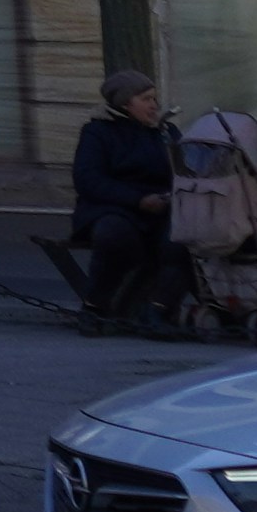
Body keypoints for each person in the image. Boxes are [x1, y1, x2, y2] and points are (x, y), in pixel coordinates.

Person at [66, 71, 179, 331]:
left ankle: (158, 310)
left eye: (154, 99)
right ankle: (95, 306)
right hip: (114, 207)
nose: (154, 105)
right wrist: (138, 200)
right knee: (114, 235)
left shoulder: (166, 132)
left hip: (162, 209)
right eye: (146, 99)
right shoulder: (98, 132)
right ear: (125, 103)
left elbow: (185, 170)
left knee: (183, 239)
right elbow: (88, 180)